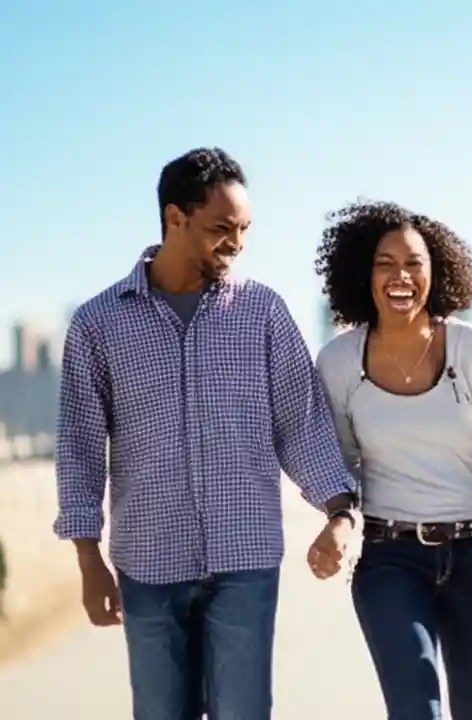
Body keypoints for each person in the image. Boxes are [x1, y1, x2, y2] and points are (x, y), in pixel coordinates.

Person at [53, 147, 359, 720]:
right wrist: (88, 558)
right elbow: (80, 448)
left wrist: (339, 513)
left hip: (245, 560)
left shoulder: (263, 313)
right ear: (175, 218)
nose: (236, 244)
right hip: (148, 562)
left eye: (244, 229)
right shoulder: (98, 324)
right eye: (222, 228)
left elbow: (302, 424)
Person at [314, 200, 472, 720]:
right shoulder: (339, 360)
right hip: (390, 559)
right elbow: (340, 464)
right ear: (363, 275)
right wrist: (338, 522)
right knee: (416, 711)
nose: (401, 276)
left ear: (437, 272)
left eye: (414, 263)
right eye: (385, 263)